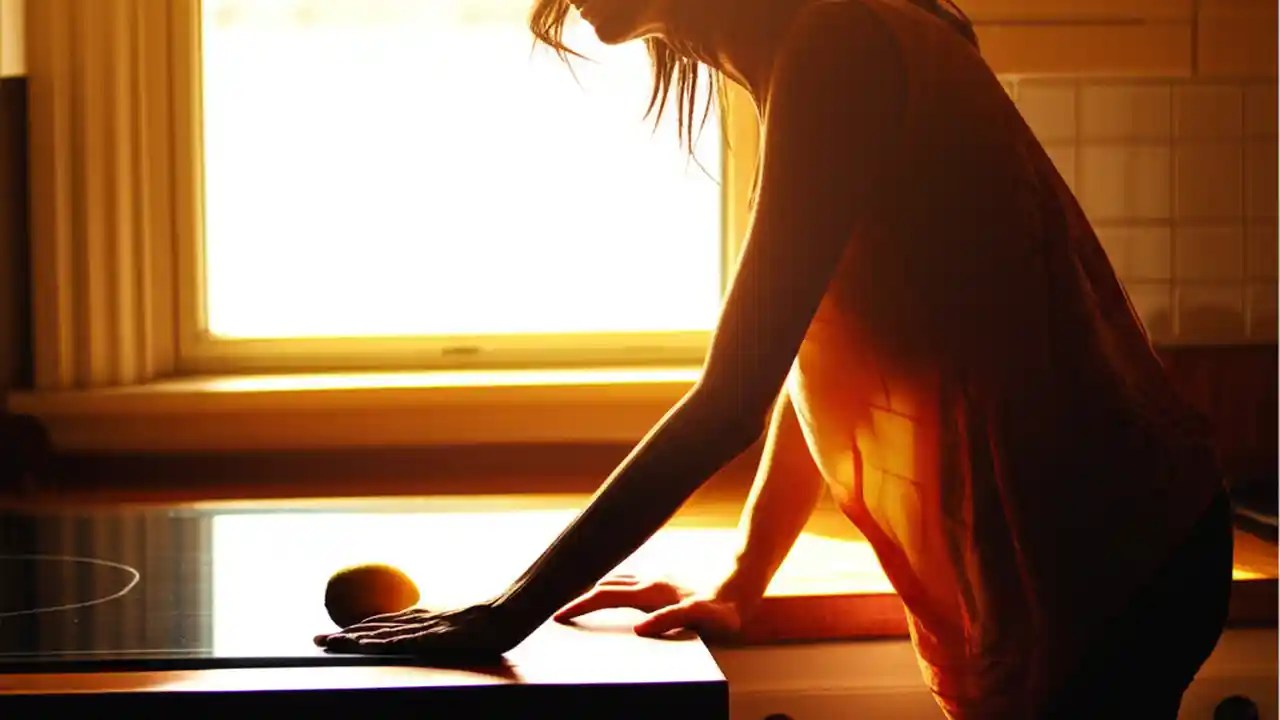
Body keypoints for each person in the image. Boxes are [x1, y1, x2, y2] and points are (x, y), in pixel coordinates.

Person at [313, 0, 1234, 716]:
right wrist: (744, 579)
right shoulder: (816, 50)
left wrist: (506, 612)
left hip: (1102, 555)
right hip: (1106, 544)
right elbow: (827, 344)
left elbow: (732, 398)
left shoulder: (838, 49)